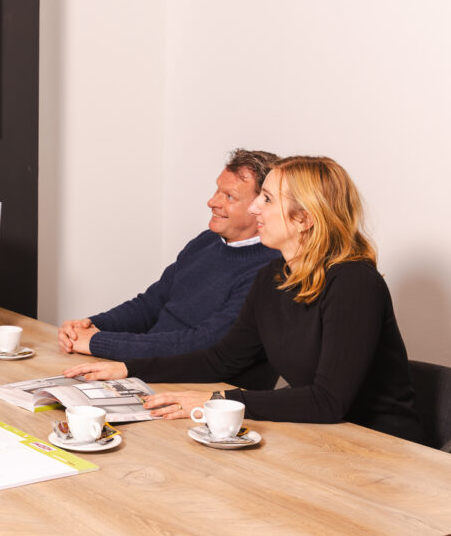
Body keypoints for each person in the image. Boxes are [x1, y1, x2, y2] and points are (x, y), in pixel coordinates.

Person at [64, 156, 424, 443]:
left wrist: (216, 400)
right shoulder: (273, 276)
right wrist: (129, 369)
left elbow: (327, 400)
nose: (255, 210)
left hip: (378, 447)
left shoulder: (353, 282)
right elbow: (222, 359)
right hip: (317, 436)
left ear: (304, 219)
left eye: (266, 200)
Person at [58, 149, 281, 367]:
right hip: (150, 368)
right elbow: (150, 305)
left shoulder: (270, 269)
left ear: (261, 207)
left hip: (199, 387)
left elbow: (204, 343)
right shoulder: (207, 241)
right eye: (217, 190)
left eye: (229, 196)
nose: (212, 202)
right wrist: (89, 326)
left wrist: (99, 342)